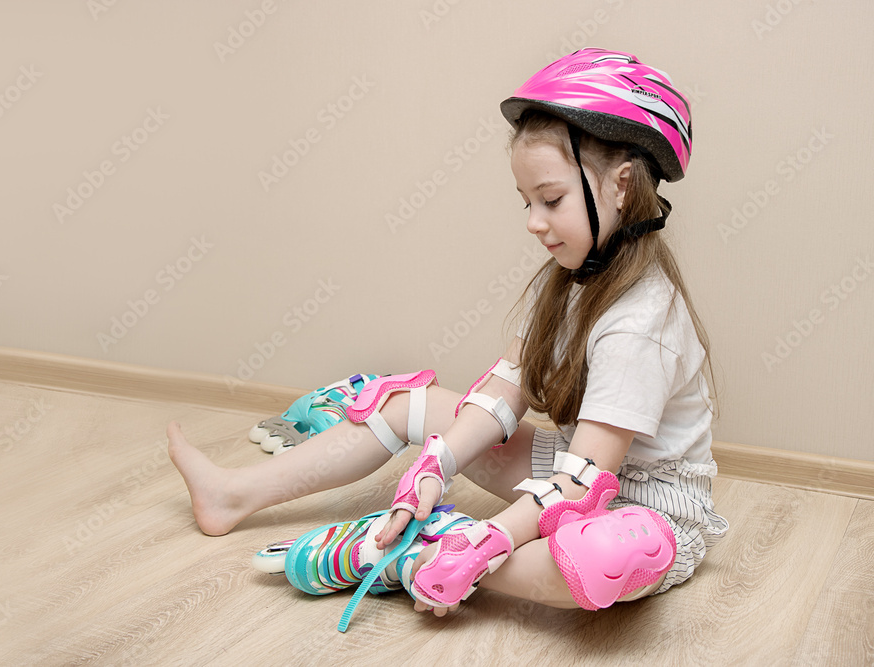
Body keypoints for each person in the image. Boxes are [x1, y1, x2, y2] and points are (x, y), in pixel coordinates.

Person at [168, 47, 729, 618]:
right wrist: (435, 466)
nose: (534, 222)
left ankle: (416, 554)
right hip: (569, 466)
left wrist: (485, 543)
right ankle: (233, 495)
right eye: (527, 202)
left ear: (622, 186)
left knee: (597, 558)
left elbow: (586, 483)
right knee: (405, 404)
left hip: (645, 508)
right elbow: (505, 391)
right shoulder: (566, 279)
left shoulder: (643, 323)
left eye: (552, 200)